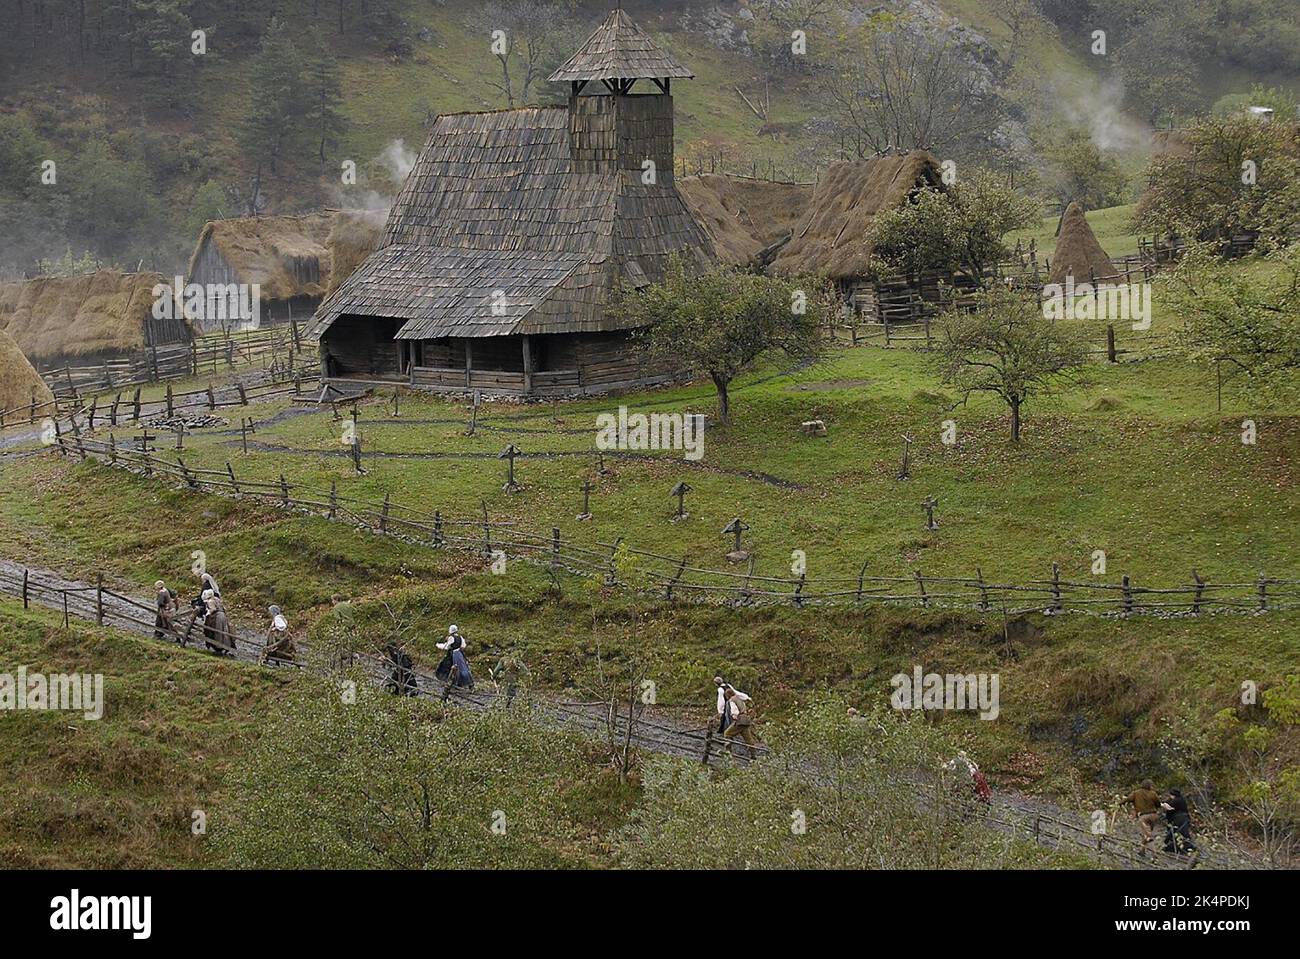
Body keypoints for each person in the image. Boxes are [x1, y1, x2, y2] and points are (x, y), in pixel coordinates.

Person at [722, 686, 760, 759]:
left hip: (740, 720)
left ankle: (728, 752)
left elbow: (734, 711)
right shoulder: (740, 698)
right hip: (746, 719)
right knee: (748, 739)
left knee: (727, 733)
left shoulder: (732, 700)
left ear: (727, 695)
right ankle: (753, 755)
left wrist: (734, 716)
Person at [1161, 789, 1199, 860]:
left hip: (1180, 819)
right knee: (1181, 833)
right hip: (1181, 819)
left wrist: (1164, 805)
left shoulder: (1178, 800)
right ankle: (1180, 847)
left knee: (1179, 833)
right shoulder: (1180, 800)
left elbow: (1169, 806)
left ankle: (1178, 847)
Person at [1123, 780, 1163, 845]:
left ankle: (1149, 838)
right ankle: (1143, 850)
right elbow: (1158, 804)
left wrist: (1119, 803)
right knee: (1146, 833)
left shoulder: (1136, 793)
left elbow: (1127, 799)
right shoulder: (1153, 793)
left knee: (1146, 833)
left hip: (1143, 816)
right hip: (1153, 815)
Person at [201, 589, 235, 656]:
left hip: (218, 617)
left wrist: (208, 613)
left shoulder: (210, 601)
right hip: (223, 616)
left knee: (218, 631)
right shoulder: (217, 599)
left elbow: (213, 609)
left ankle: (218, 647)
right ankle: (226, 644)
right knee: (224, 630)